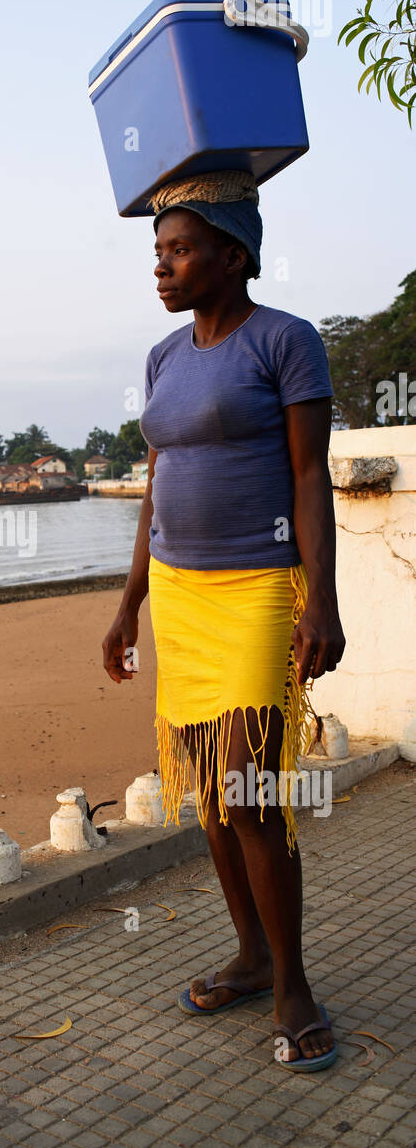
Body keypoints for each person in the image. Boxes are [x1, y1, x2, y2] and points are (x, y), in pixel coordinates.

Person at [102, 170, 346, 1072]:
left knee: (248, 786)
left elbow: (310, 477)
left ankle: (294, 984)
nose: (161, 269)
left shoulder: (286, 342)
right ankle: (249, 956)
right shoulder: (165, 358)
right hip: (181, 593)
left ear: (232, 254)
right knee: (208, 792)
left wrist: (319, 598)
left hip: (255, 591)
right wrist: (130, 602)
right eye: (157, 253)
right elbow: (157, 483)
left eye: (179, 250)